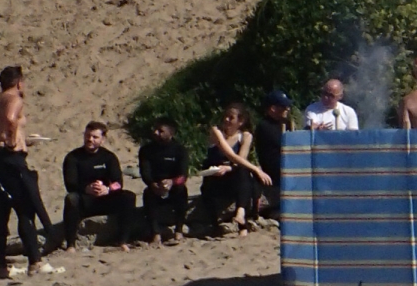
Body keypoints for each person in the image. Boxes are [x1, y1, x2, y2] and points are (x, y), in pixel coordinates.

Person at [0, 65, 58, 278]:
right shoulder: (14, 100)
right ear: (19, 82)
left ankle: (1, 267)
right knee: (25, 209)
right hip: (10, 161)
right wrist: (13, 142)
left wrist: (20, 139)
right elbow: (11, 119)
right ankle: (34, 262)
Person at [57, 121, 131, 250]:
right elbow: (70, 184)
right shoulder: (73, 157)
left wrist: (107, 189)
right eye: (87, 136)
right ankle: (71, 245)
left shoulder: (109, 157)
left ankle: (122, 241)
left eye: (95, 137)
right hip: (85, 200)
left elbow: (118, 183)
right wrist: (87, 188)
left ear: (103, 139)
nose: (90, 139)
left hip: (105, 199)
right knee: (71, 198)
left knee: (128, 197)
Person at [201, 102, 270, 236]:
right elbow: (231, 155)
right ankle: (236, 222)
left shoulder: (245, 136)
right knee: (246, 171)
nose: (226, 120)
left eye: (231, 117)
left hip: (232, 176)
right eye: (225, 116)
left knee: (243, 172)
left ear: (241, 121)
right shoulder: (216, 132)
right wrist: (256, 169)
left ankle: (240, 213)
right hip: (214, 177)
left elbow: (241, 160)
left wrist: (228, 168)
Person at [138, 117, 190, 245]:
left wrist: (172, 182)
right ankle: (155, 233)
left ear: (171, 133)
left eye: (160, 131)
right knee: (148, 194)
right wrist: (153, 184)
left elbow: (183, 174)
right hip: (155, 185)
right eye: (155, 130)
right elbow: (145, 172)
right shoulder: (146, 150)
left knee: (182, 191)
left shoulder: (179, 150)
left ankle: (178, 230)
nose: (156, 133)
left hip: (173, 186)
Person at [254, 92, 290, 217]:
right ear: (273, 108)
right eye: (283, 107)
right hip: (274, 174)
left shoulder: (285, 124)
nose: (287, 109)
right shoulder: (265, 126)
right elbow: (284, 144)